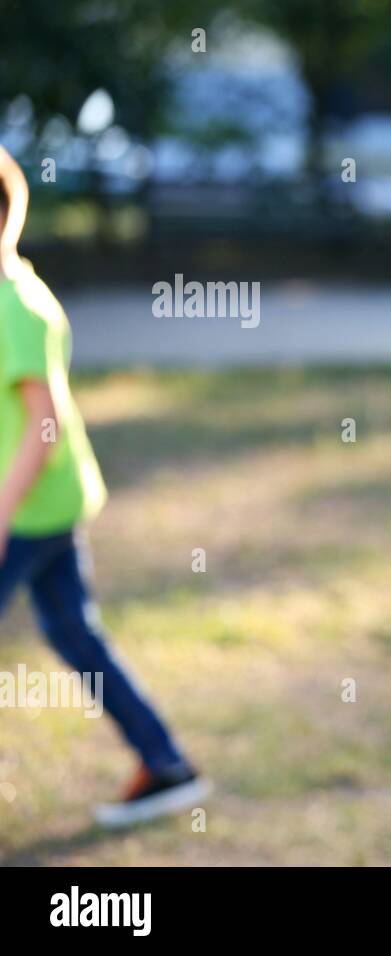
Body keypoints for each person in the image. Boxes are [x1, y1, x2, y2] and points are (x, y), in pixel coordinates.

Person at [0, 146, 210, 828]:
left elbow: (45, 425)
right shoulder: (17, 287)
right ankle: (165, 762)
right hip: (51, 506)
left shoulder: (14, 308)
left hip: (28, 511)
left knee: (75, 633)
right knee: (74, 634)